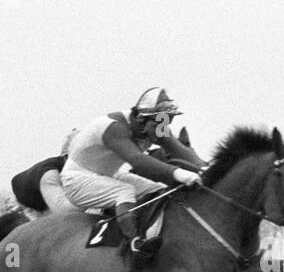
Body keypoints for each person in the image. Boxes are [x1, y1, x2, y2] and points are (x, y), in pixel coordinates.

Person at [61, 88, 205, 261]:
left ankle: (152, 234)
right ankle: (134, 244)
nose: (163, 129)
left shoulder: (151, 124)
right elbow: (138, 161)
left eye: (166, 122)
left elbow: (180, 150)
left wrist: (206, 168)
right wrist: (179, 173)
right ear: (141, 119)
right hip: (77, 179)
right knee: (125, 192)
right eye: (160, 122)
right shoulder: (114, 127)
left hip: (108, 175)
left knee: (158, 190)